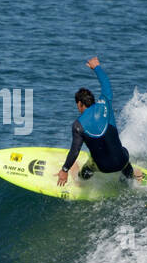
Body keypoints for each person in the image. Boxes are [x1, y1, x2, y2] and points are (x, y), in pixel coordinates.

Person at [57, 57, 138, 187]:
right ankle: (130, 177)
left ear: (80, 104)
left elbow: (74, 151)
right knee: (124, 152)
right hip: (122, 161)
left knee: (89, 167)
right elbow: (106, 83)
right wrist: (97, 67)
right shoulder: (105, 102)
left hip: (103, 168)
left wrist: (64, 170)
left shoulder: (78, 125)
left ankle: (80, 182)